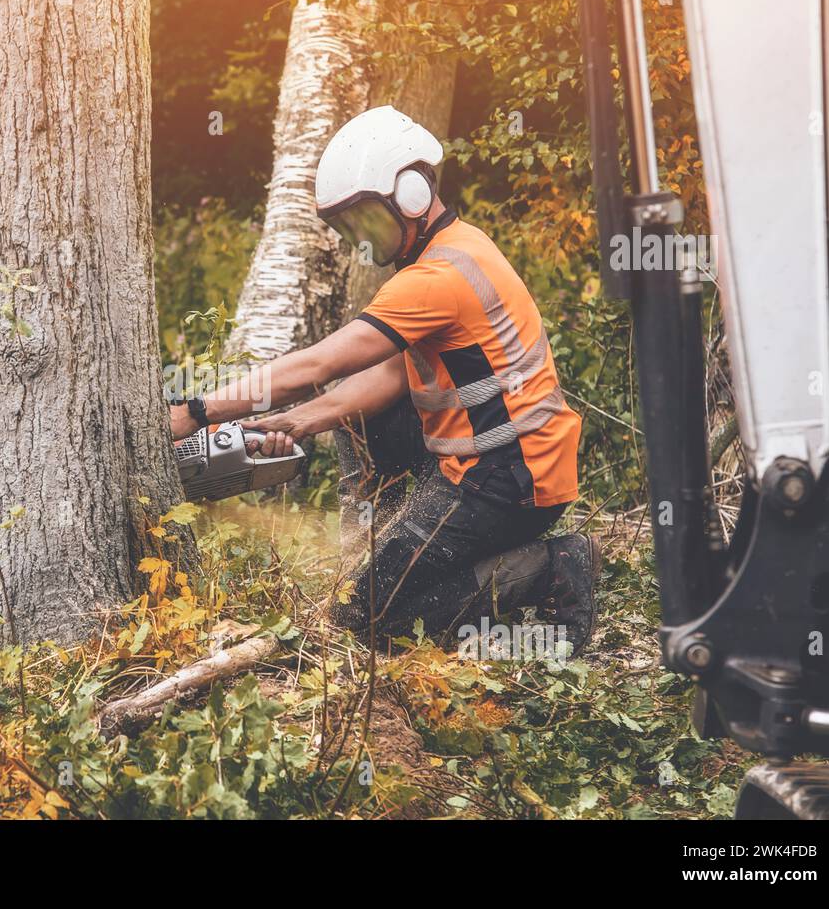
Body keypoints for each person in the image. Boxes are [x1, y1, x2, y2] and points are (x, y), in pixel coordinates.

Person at [169, 106, 599, 653]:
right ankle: (383, 545)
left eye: (368, 221)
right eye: (351, 229)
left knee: (365, 616)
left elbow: (318, 364)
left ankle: (549, 567)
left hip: (508, 480)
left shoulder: (436, 277)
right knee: (355, 421)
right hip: (505, 465)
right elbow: (389, 378)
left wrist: (195, 412)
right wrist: (294, 423)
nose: (364, 243)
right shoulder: (457, 247)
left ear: (413, 194)